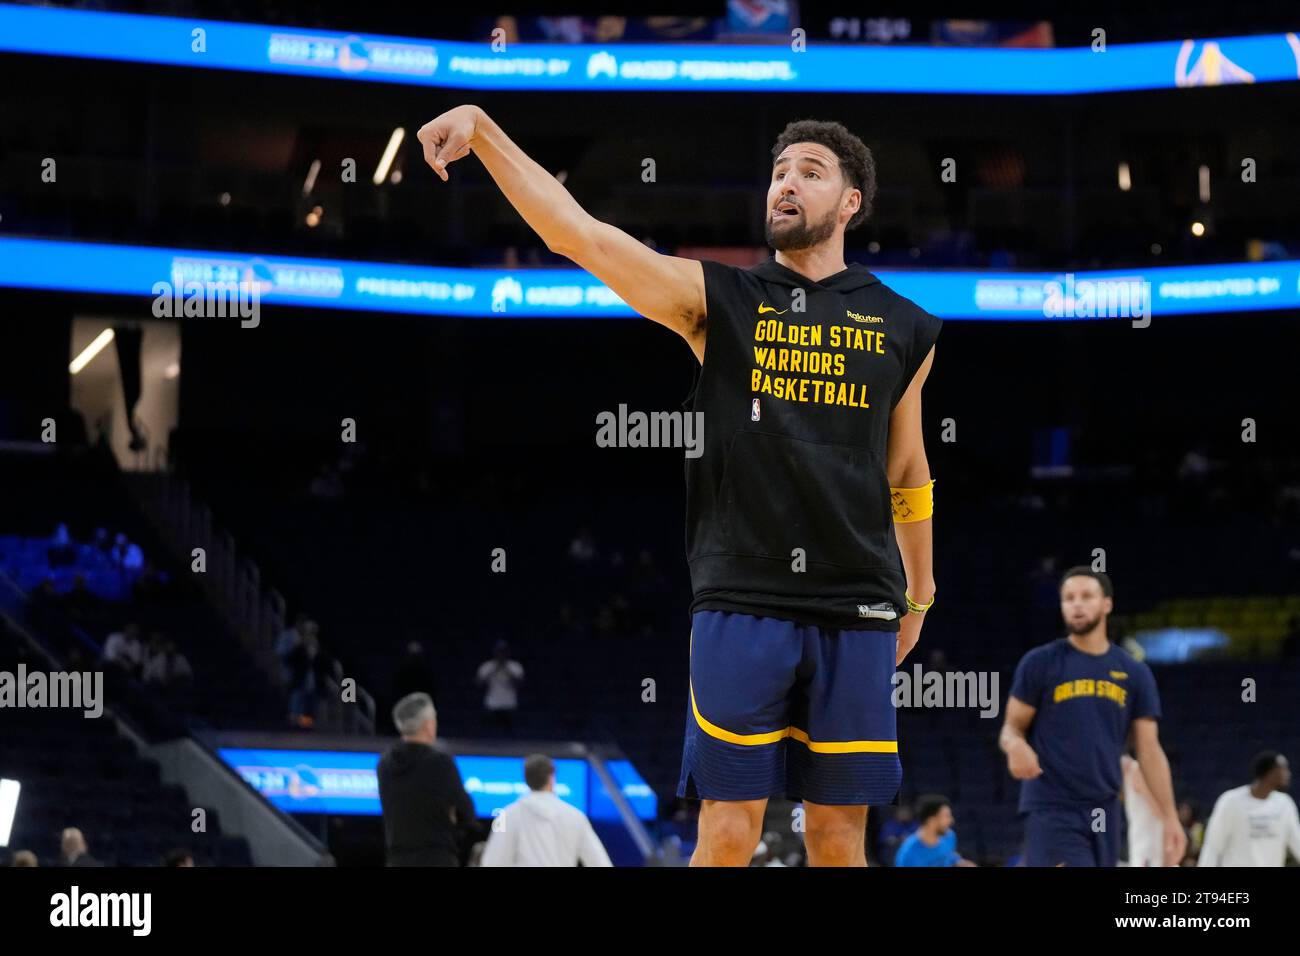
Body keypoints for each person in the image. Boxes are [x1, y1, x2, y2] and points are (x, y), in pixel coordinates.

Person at [418, 108, 941, 867]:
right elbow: (581, 236)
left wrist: (919, 594)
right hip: (741, 602)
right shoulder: (719, 300)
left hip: (858, 606)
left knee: (838, 837)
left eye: (809, 172)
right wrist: (484, 131)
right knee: (727, 831)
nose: (785, 183)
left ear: (852, 202)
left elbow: (907, 471)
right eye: (778, 172)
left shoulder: (905, 326)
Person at [999, 568, 1186, 867]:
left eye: (1086, 596)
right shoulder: (1040, 663)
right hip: (1051, 806)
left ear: (1107, 604)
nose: (1077, 604)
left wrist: (1170, 818)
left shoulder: (1134, 673)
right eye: (1069, 598)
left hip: (1104, 808)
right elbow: (1011, 727)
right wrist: (1014, 745)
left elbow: (1149, 750)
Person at [376, 692, 478, 866]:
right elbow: (467, 812)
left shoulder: (384, 764)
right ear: (428, 725)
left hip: (397, 860)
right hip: (436, 857)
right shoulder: (440, 762)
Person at [479, 754, 612, 867]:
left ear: (526, 779)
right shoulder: (575, 816)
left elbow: (493, 861)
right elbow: (599, 861)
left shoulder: (507, 815)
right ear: (551, 778)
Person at [1199, 751, 1300, 867]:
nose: (1288, 773)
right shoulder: (1231, 801)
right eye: (1283, 769)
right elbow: (1213, 845)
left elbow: (1297, 841)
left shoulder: (1284, 803)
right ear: (1270, 772)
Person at [893, 795, 975, 867]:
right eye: (947, 816)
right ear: (931, 820)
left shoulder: (949, 836)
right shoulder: (908, 854)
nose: (952, 820)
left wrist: (961, 863)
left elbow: (950, 857)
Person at [1121, 751, 1164, 866]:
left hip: (1147, 843)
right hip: (1139, 839)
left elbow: (1157, 808)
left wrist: (1166, 823)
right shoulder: (1127, 777)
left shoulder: (1135, 772)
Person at [475, 640, 524, 735]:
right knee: (489, 734)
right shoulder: (487, 666)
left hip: (509, 704)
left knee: (509, 735)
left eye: (503, 651)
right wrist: (494, 669)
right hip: (492, 703)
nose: (501, 654)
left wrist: (506, 669)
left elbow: (520, 684)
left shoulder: (515, 666)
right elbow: (479, 684)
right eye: (499, 651)